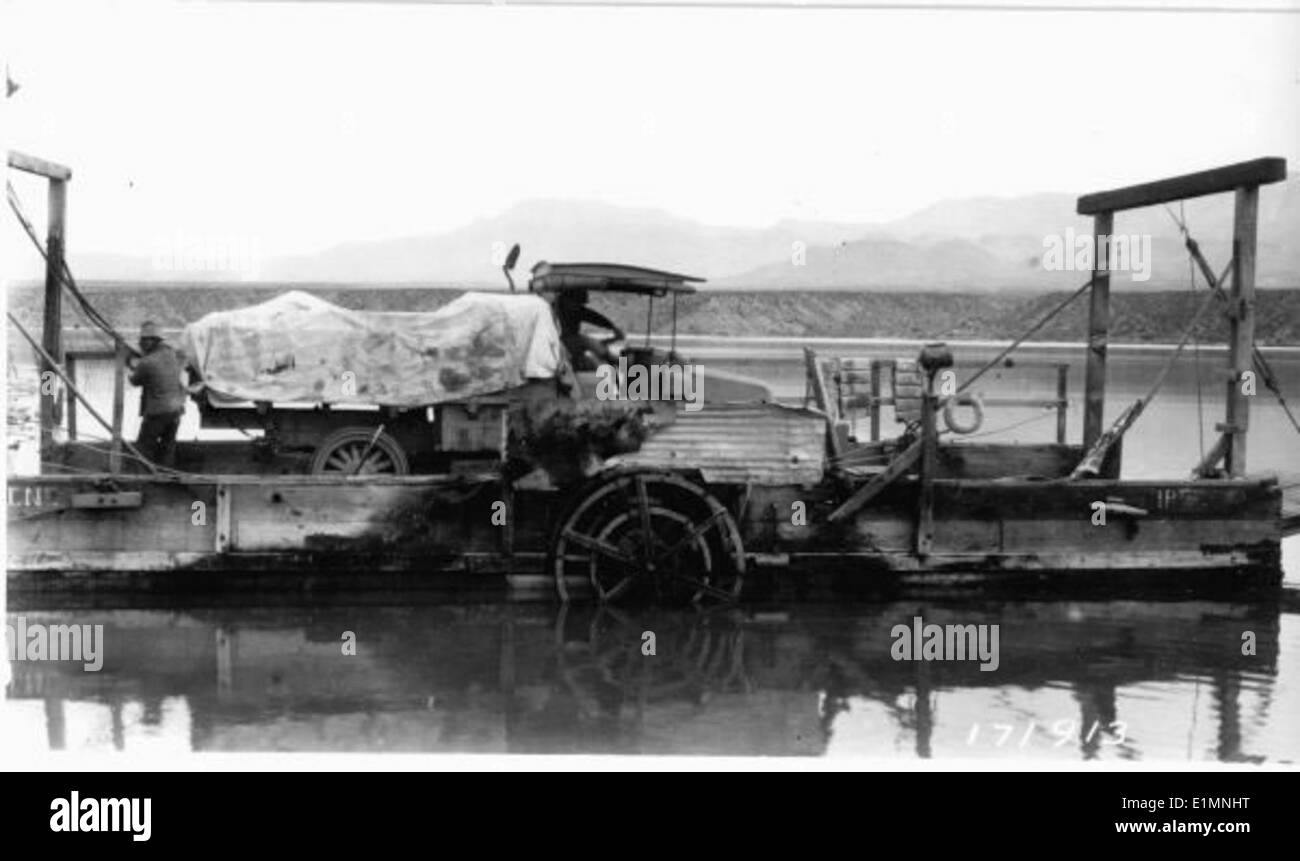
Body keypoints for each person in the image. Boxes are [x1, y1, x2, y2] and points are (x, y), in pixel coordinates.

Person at [127, 321, 188, 469]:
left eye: (143, 341)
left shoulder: (147, 362)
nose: (140, 344)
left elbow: (135, 381)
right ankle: (165, 478)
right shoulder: (173, 355)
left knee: (144, 447)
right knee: (168, 446)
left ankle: (141, 478)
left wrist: (129, 367)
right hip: (176, 410)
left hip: (158, 412)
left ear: (152, 341)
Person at [552, 288, 625, 371]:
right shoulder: (553, 310)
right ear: (566, 299)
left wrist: (612, 326)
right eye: (576, 303)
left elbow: (593, 317)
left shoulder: (578, 311)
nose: (578, 307)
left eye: (579, 304)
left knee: (598, 349)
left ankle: (622, 365)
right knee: (592, 350)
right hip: (561, 341)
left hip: (574, 339)